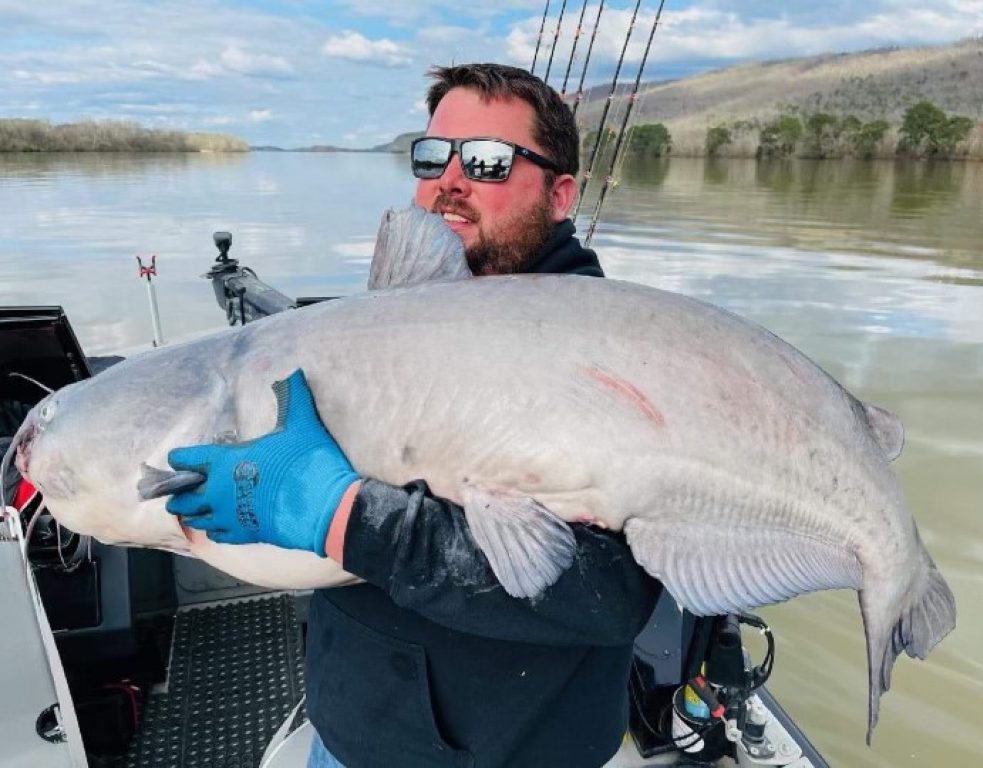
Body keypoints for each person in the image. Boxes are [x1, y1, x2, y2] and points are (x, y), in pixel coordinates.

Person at [165, 63, 662, 768]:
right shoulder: (372, 321)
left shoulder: (610, 353)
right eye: (432, 157)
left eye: (488, 161)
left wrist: (345, 517)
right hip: (347, 731)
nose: (449, 181)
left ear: (561, 194)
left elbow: (611, 595)